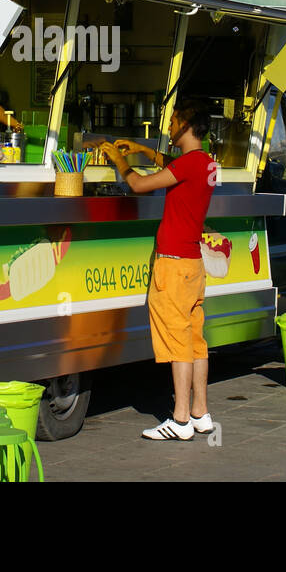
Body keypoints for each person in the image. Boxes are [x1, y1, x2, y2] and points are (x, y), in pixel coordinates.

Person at [98, 100, 216, 441]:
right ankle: (200, 413)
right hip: (192, 266)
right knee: (195, 343)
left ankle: (179, 421)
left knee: (177, 342)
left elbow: (138, 185)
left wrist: (120, 160)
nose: (167, 127)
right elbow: (174, 167)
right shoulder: (205, 163)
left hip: (173, 265)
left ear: (186, 124)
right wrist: (143, 150)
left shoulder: (191, 164)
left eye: (173, 120)